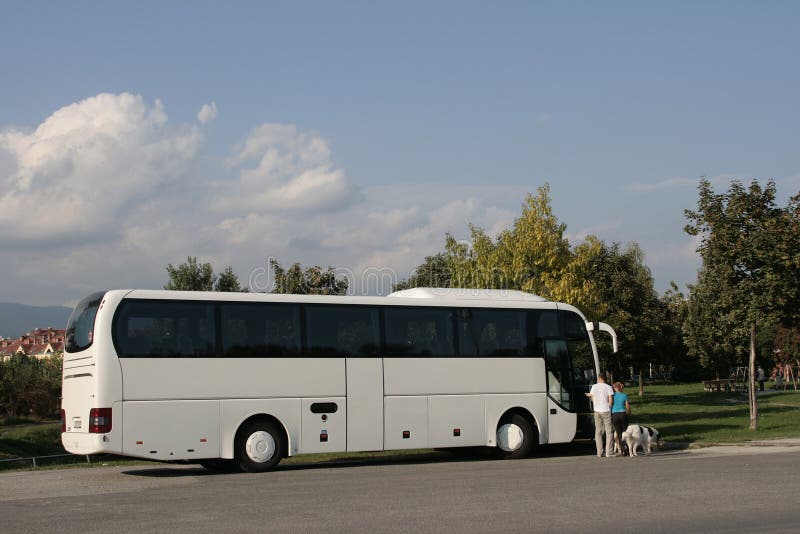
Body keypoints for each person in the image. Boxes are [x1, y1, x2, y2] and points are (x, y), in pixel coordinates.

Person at [586, 372, 615, 457]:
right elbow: (611, 400)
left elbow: (592, 397)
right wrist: (610, 406)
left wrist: (595, 403)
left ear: (599, 378)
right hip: (606, 410)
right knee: (609, 431)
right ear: (605, 378)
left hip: (597, 411)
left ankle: (599, 452)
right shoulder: (609, 387)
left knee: (598, 431)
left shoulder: (594, 387)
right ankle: (609, 452)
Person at [611, 381, 631, 456]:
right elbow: (627, 406)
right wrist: (629, 412)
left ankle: (623, 450)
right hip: (622, 414)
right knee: (625, 432)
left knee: (619, 434)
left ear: (614, 388)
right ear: (620, 387)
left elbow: (610, 404)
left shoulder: (612, 395)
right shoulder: (624, 395)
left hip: (614, 415)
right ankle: (628, 449)